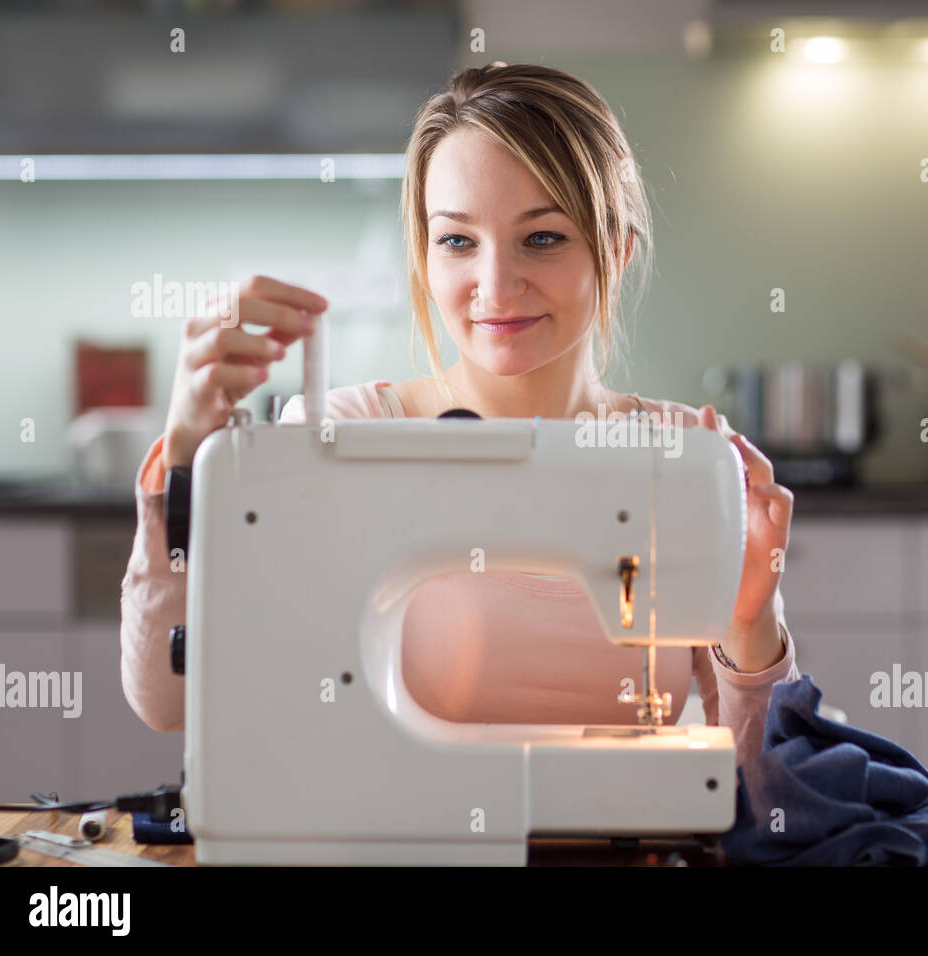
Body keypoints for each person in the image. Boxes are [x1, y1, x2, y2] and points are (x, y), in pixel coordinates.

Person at [120, 63, 799, 767]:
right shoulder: (343, 438)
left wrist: (753, 619)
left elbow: (771, 791)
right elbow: (167, 703)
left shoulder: (682, 452)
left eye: (543, 237)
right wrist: (185, 456)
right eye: (457, 241)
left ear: (617, 253)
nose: (496, 286)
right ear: (423, 258)